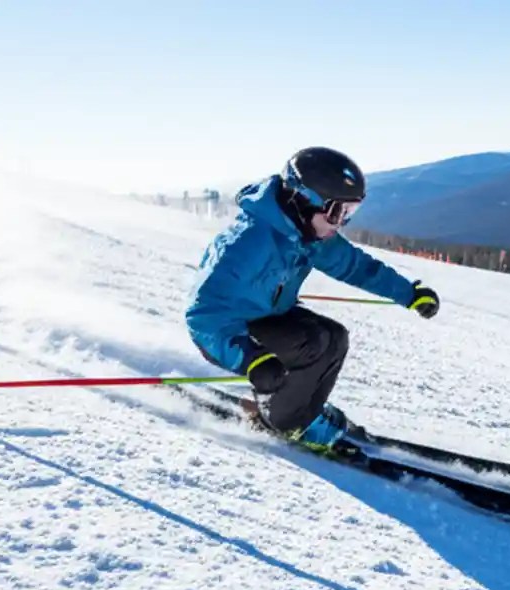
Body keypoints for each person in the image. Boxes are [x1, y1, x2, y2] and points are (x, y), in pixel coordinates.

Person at [185, 147, 439, 452]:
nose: (340, 223)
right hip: (229, 331)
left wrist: (409, 293)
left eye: (349, 213)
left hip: (268, 315)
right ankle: (286, 422)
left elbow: (356, 266)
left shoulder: (307, 232)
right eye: (336, 212)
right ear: (303, 200)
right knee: (313, 345)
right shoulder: (248, 244)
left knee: (334, 337)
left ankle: (303, 410)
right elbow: (203, 315)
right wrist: (251, 358)